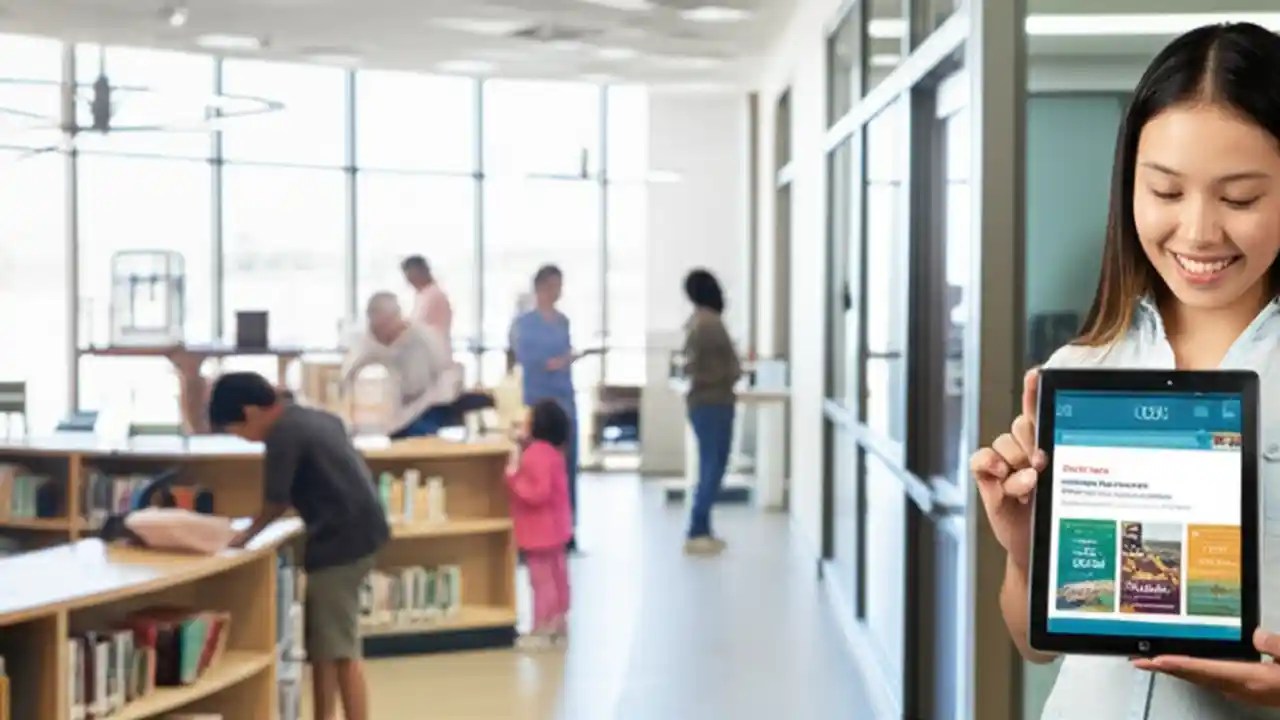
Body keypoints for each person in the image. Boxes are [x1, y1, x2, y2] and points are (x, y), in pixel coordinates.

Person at [970, 23, 1280, 718]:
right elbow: (1037, 645)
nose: (1199, 232)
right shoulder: (1082, 368)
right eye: (1166, 192)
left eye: (1239, 199)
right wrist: (1026, 553)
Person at [207, 372, 389, 720]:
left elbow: (276, 502)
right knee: (325, 646)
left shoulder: (283, 435)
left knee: (340, 650)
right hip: (362, 533)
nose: (245, 440)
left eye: (237, 431)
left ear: (249, 412)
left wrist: (242, 538)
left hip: (341, 543)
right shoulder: (314, 417)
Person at [512, 265, 598, 550]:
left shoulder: (562, 321)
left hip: (564, 399)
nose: (557, 292)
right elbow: (532, 360)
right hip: (539, 400)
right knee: (537, 467)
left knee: (566, 466)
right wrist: (559, 361)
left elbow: (561, 357)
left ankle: (566, 528)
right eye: (552, 286)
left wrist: (566, 360)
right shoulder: (524, 324)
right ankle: (535, 531)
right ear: (540, 288)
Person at [680, 269, 742, 556]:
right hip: (713, 402)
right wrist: (731, 373)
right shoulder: (709, 324)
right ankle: (698, 529)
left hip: (707, 402)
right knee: (713, 467)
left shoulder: (699, 322)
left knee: (711, 466)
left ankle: (703, 526)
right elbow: (715, 366)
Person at [505, 399, 574, 650]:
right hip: (557, 527)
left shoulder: (534, 455)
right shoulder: (554, 453)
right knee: (558, 575)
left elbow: (536, 493)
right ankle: (558, 621)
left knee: (540, 579)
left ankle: (541, 627)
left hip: (538, 530)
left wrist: (513, 478)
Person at [342, 292, 461, 438]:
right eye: (376, 328)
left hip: (431, 406)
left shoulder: (424, 339)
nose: (381, 334)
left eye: (385, 326)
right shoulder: (369, 341)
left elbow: (441, 377)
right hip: (394, 412)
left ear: (397, 318)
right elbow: (350, 372)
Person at [402, 255, 454, 356]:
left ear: (421, 271)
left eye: (411, 276)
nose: (409, 282)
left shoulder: (433, 295)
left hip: (433, 355)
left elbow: (418, 326)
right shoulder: (423, 295)